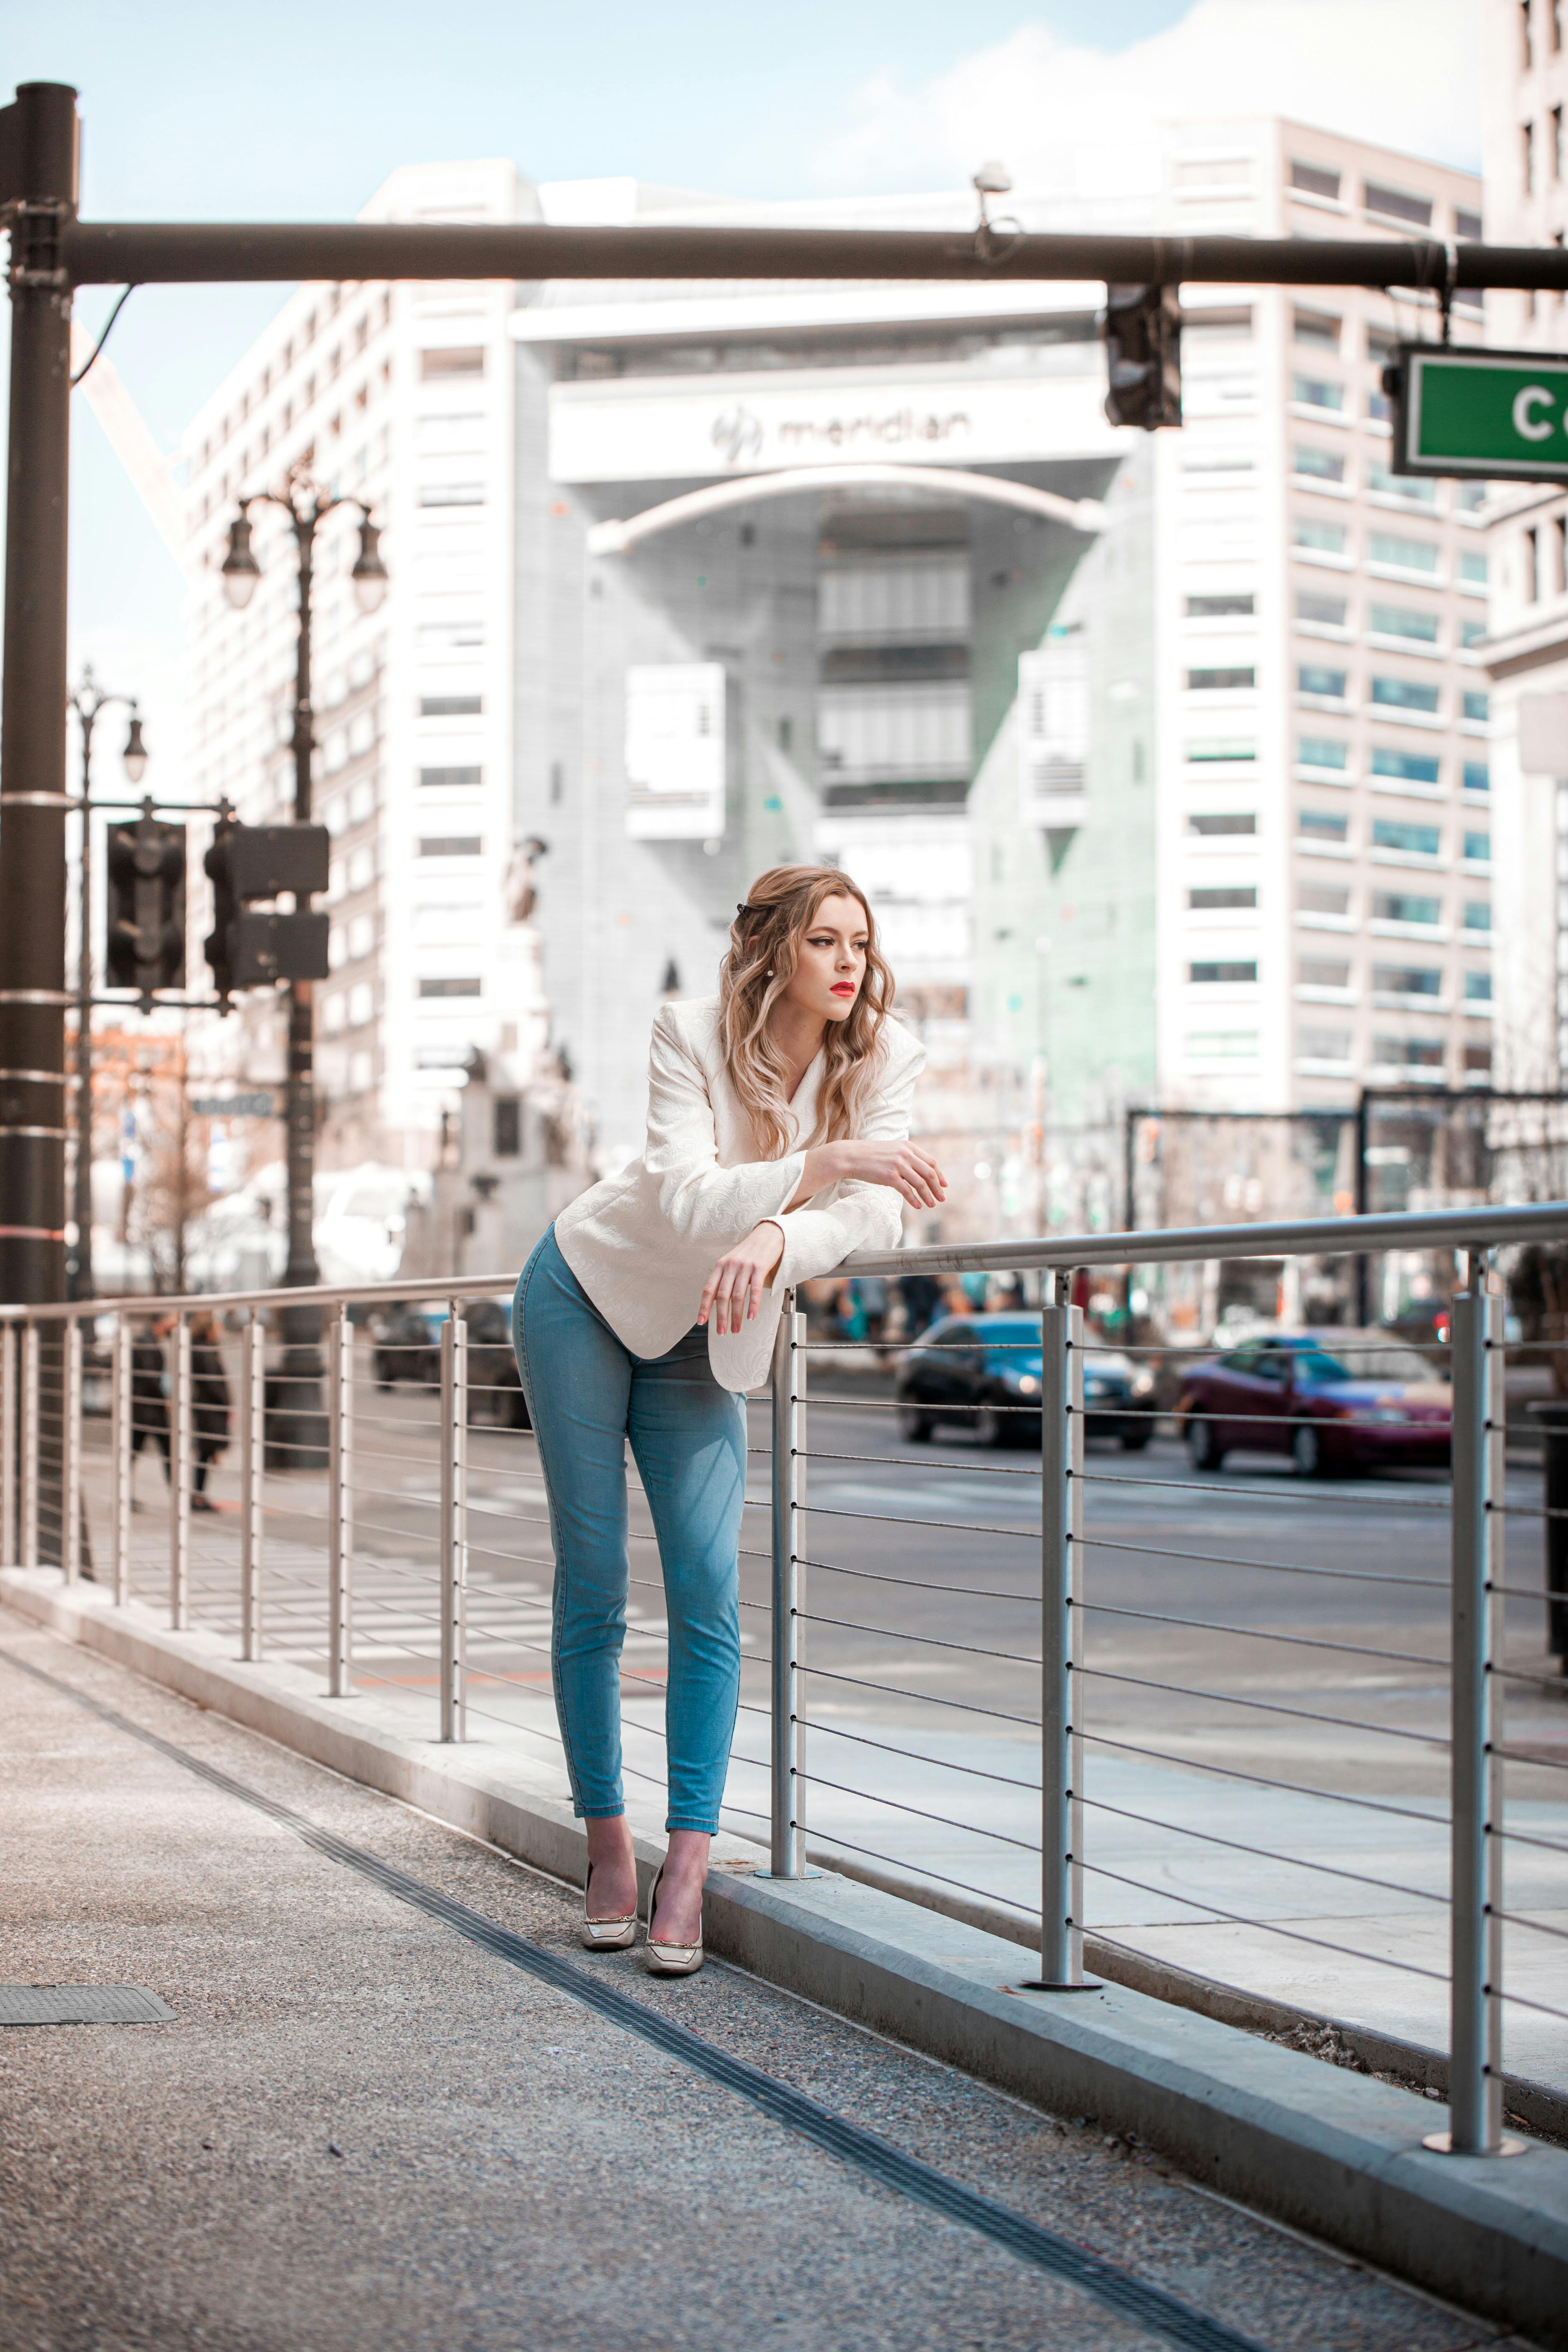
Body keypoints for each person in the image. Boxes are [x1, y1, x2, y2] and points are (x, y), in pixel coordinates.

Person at [512, 864, 945, 1975]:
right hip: (588, 1293)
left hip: (718, 1320)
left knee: (708, 1599)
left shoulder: (888, 1055)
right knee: (596, 1577)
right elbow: (688, 1202)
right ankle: (608, 1844)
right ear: (775, 954)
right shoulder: (687, 1031)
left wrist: (775, 1241)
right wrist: (828, 1162)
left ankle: (688, 1867)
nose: (850, 962)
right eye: (824, 941)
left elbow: (877, 1225)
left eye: (861, 939)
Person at [189, 1314, 232, 1512]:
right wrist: (225, 1404)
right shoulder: (205, 1351)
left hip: (209, 1409)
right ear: (209, 1330)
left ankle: (198, 1495)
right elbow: (214, 1383)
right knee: (205, 1453)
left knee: (206, 1453)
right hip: (210, 1409)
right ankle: (198, 1497)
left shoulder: (203, 1349)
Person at [129, 1317, 172, 1508]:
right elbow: (150, 1378)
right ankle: (178, 1495)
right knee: (169, 1451)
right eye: (173, 1320)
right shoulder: (147, 1343)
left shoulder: (148, 1341)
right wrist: (164, 1400)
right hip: (150, 1410)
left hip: (145, 1409)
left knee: (132, 1453)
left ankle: (125, 1494)